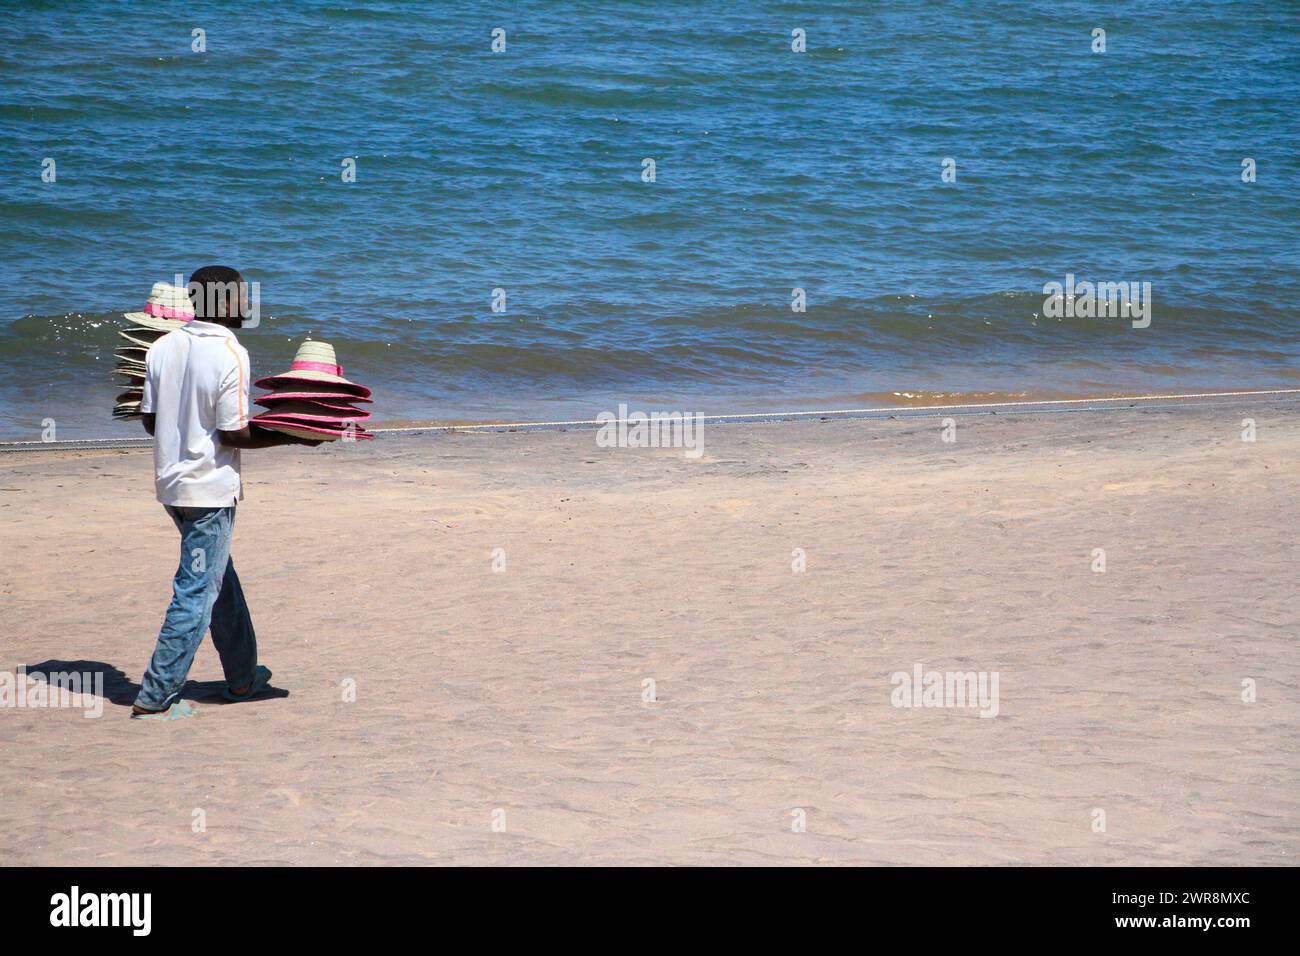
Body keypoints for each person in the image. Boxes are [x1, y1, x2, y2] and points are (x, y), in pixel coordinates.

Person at [132, 265, 318, 720]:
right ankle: (155, 695)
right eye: (241, 296)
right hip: (208, 491)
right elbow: (234, 434)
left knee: (219, 580)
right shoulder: (230, 353)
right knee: (196, 591)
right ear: (228, 303)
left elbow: (151, 421)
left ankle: (241, 676)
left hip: (171, 486)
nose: (248, 304)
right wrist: (295, 435)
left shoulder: (162, 346)